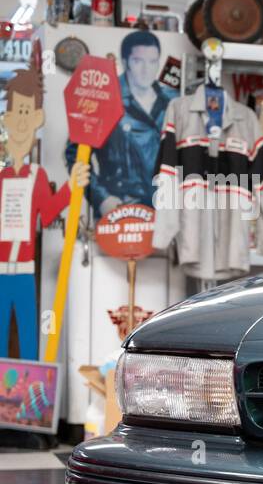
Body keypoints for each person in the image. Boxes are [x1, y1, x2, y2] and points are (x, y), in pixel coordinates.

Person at [1, 63, 90, 359]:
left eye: (28, 113)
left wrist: (71, 186)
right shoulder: (1, 179)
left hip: (26, 273)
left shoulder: (36, 175)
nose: (22, 121)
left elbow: (49, 213)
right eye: (18, 113)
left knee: (28, 338)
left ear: (37, 117)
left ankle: (28, 404)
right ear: (7, 118)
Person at [66, 30, 175, 220]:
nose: (146, 69)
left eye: (152, 61)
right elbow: (76, 155)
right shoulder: (103, 97)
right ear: (125, 62)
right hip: (119, 212)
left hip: (166, 214)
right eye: (138, 61)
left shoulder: (173, 101)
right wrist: (101, 199)